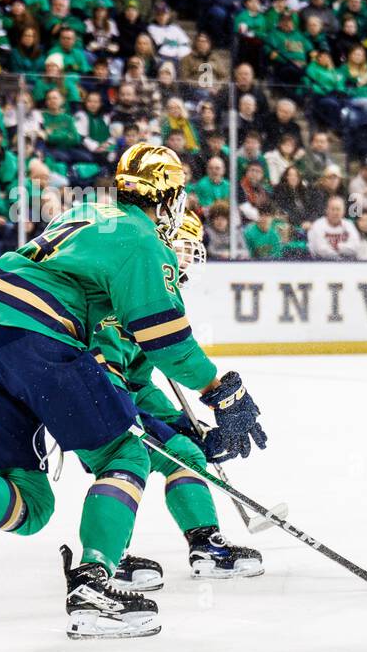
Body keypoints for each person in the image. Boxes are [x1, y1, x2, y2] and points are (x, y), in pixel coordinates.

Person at [0, 144, 269, 640]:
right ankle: (91, 587)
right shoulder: (142, 242)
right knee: (125, 455)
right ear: (167, 196)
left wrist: (181, 425)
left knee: (31, 503)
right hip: (40, 336)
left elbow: (139, 369)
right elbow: (170, 345)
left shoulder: (91, 212)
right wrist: (224, 393)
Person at [89, 210, 264, 587]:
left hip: (105, 389)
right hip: (89, 391)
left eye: (192, 249)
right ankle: (108, 559)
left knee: (182, 448)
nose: (187, 258)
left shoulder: (148, 290)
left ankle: (200, 545)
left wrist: (181, 422)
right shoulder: (129, 292)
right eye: (182, 248)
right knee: (137, 457)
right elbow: (114, 369)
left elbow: (137, 380)